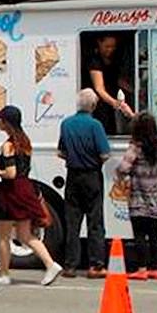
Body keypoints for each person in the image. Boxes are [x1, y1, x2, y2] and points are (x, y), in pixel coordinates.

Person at [0, 106, 63, 287]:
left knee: (3, 236)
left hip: (11, 192)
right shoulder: (25, 142)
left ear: (6, 122)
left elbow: (11, 173)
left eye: (0, 118)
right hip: (25, 189)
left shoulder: (8, 145)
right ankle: (50, 264)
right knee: (25, 235)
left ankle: (5, 274)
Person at [57, 89, 111, 279]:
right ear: (94, 105)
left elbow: (61, 153)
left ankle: (70, 265)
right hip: (92, 176)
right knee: (95, 221)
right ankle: (96, 265)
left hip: (72, 175)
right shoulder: (95, 125)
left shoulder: (66, 124)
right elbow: (105, 154)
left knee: (72, 222)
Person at [116, 113, 157, 280]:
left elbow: (123, 168)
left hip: (139, 197)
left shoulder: (135, 147)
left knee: (139, 234)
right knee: (154, 233)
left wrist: (121, 172)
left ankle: (142, 268)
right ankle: (155, 267)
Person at [85, 34, 135, 134]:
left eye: (113, 46)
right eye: (107, 46)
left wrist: (134, 91)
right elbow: (99, 88)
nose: (110, 50)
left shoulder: (114, 60)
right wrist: (114, 103)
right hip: (99, 104)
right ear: (99, 43)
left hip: (112, 101)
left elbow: (119, 81)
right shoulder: (94, 61)